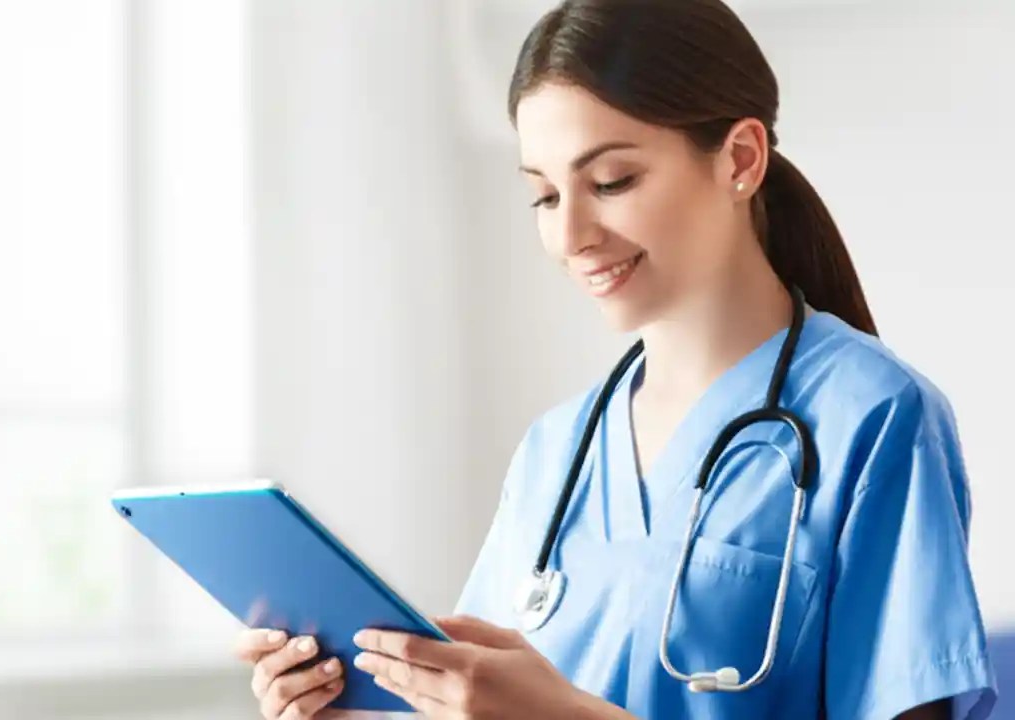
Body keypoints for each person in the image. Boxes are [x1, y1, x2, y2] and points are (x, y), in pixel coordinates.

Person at [232, 0, 998, 717]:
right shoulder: (554, 453)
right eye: (544, 196)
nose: (571, 238)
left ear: (739, 158)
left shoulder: (872, 416)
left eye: (610, 181)